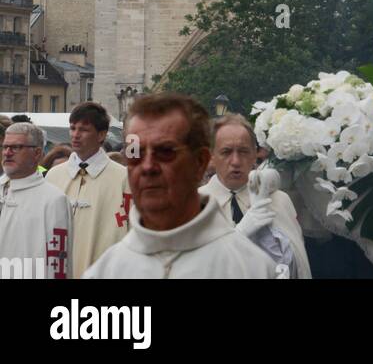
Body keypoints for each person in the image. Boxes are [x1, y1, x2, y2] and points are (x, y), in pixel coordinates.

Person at [83, 93, 276, 279]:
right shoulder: (105, 272)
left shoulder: (250, 268)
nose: (148, 166)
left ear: (200, 163)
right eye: (135, 154)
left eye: (165, 152)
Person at [201, 113, 310, 278]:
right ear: (212, 156)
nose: (236, 161)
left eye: (243, 151)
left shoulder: (279, 200)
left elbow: (300, 268)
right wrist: (239, 235)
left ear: (254, 155)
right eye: (226, 152)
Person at [44, 101, 130, 276]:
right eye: (73, 128)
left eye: (83, 130)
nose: (75, 135)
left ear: (101, 135)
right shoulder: (53, 175)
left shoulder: (124, 178)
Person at [0, 121, 74, 278]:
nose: (7, 152)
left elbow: (58, 265)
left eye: (16, 147)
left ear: (37, 153)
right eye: (5, 147)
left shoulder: (53, 201)